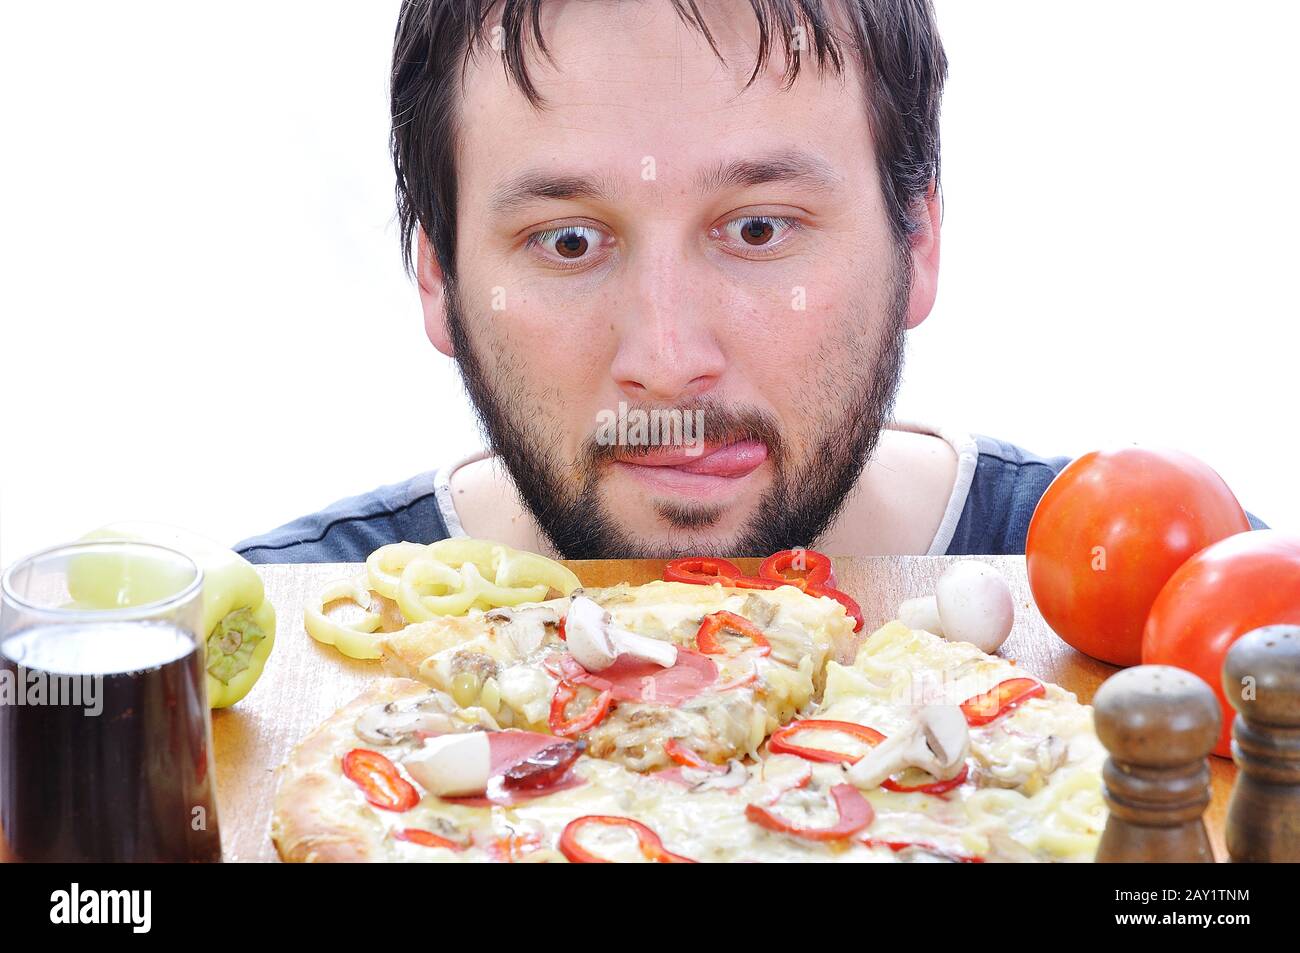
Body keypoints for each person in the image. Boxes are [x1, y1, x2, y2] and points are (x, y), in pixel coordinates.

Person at [235, 0, 1261, 565]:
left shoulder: (1194, 600)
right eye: (568, 242)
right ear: (437, 277)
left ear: (920, 241)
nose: (669, 363)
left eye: (759, 228)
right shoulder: (248, 653)